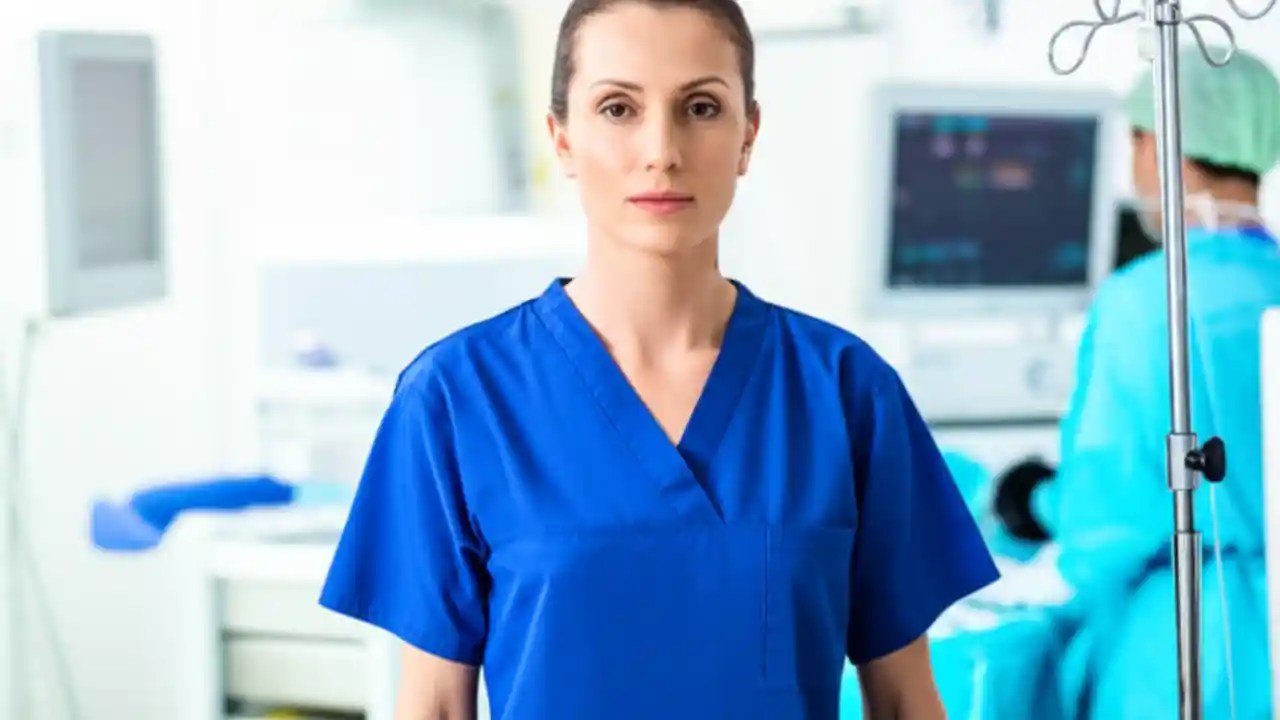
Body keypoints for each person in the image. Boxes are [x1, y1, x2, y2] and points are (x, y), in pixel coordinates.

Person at [318, 1, 998, 718]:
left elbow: (902, 703)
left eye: (701, 107)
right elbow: (435, 709)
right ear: (562, 138)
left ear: (748, 135)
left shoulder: (846, 393)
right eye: (617, 108)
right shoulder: (457, 399)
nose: (662, 150)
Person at [1034, 45, 1280, 719]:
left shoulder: (1147, 302)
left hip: (1184, 651)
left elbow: (1102, 516)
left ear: (1153, 146)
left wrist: (1039, 508)